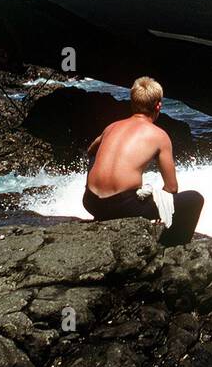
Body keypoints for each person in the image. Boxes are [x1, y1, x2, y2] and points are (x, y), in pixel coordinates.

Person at [82, 76, 204, 246]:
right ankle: (171, 246)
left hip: (91, 202)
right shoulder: (160, 136)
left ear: (132, 102)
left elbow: (90, 151)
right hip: (122, 207)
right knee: (195, 199)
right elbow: (172, 187)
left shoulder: (111, 127)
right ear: (158, 105)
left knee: (97, 154)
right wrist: (162, 208)